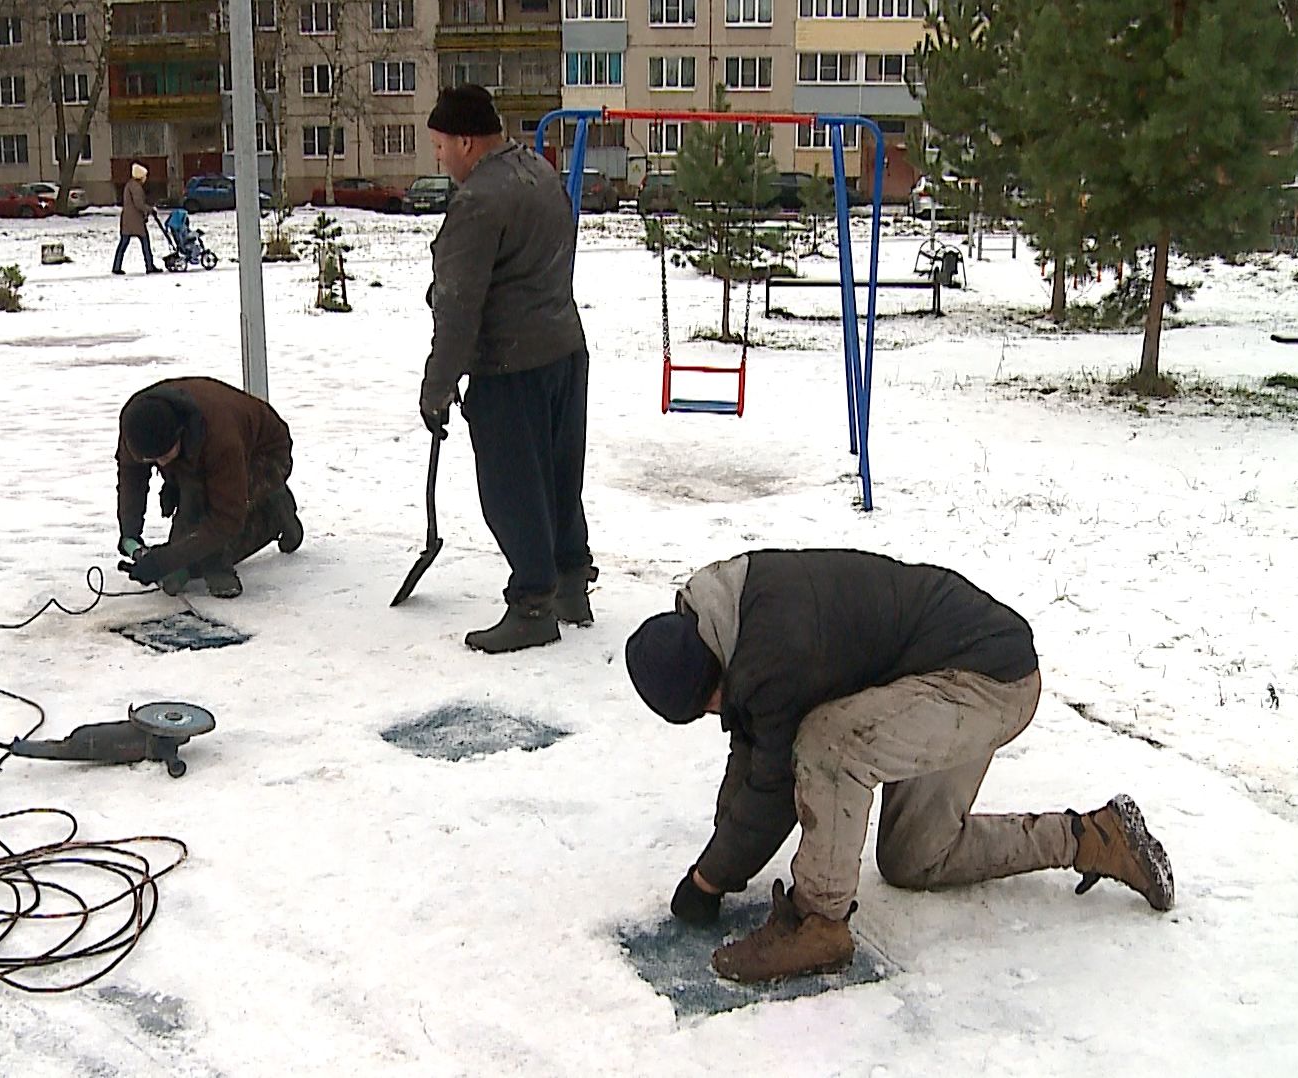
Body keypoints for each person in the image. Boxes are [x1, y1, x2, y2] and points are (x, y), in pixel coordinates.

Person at [624, 549, 1175, 983]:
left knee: (828, 747)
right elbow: (752, 747)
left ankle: (818, 925)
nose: (717, 711)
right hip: (941, 669)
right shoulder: (728, 620)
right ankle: (1093, 838)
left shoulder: (772, 648)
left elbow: (773, 783)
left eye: (711, 701)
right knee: (914, 858)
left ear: (711, 668)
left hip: (984, 681)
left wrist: (709, 879)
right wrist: (718, 867)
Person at [419, 84, 593, 654]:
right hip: (564, 351)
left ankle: (533, 606)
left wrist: (437, 386)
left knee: (513, 489)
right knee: (558, 476)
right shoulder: (540, 173)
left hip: (510, 364)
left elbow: (458, 304)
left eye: (441, 145)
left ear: (466, 141)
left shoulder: (478, 201)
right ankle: (571, 584)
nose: (439, 157)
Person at [115, 377, 304, 598]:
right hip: (201, 455)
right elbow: (131, 475)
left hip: (264, 455)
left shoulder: (221, 439)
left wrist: (166, 559)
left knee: (203, 527)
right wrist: (130, 531)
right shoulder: (136, 424)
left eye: (165, 456)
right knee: (185, 549)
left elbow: (226, 520)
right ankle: (208, 560)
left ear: (181, 433)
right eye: (152, 460)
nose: (161, 464)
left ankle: (275, 514)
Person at [113, 162, 159, 275]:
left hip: (128, 220)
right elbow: (139, 204)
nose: (145, 179)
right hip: (135, 220)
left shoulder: (130, 185)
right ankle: (149, 265)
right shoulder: (136, 187)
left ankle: (117, 266)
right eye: (144, 176)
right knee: (145, 242)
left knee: (124, 243)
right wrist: (149, 209)